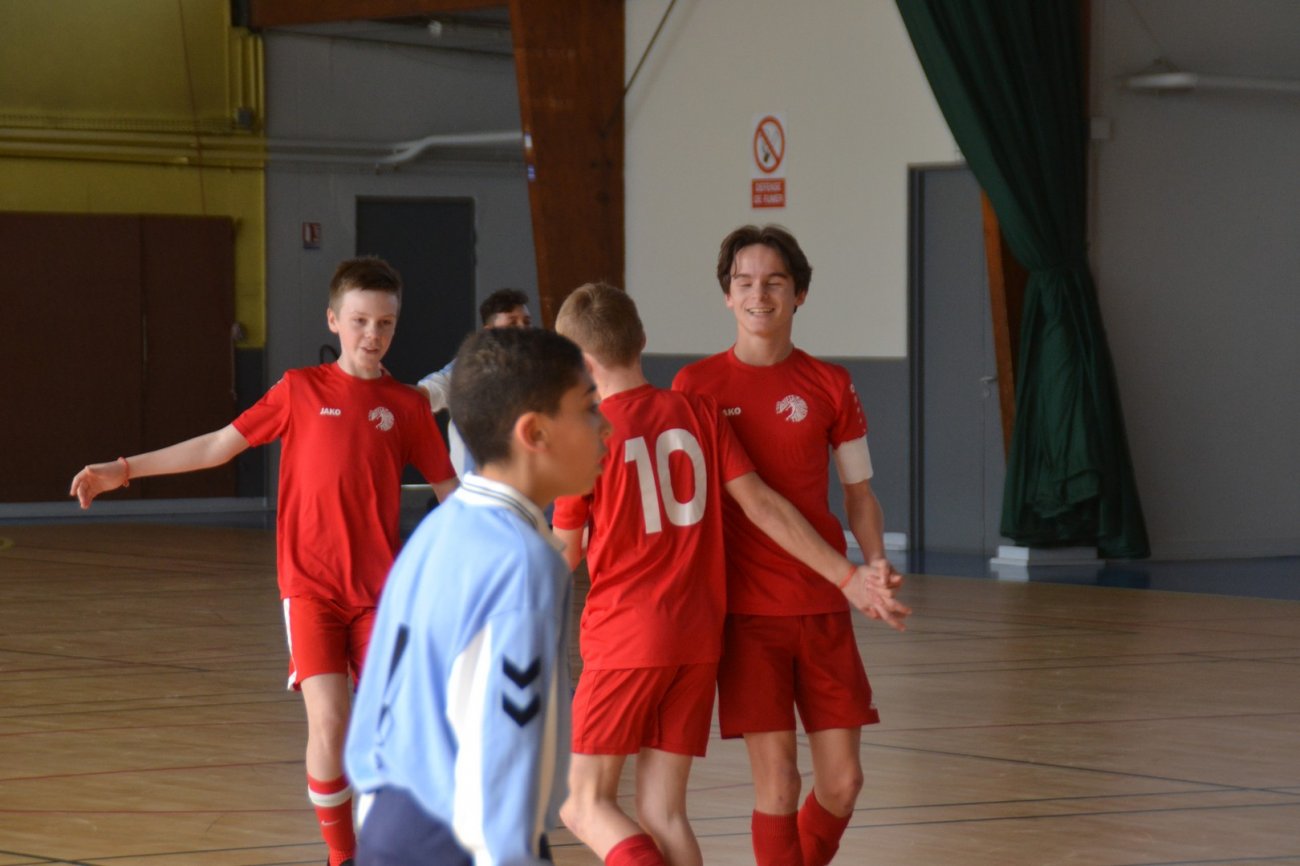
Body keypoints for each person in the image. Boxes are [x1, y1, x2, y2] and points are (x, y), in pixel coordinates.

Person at [69, 256, 458, 866]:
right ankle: (342, 856)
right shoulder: (301, 389)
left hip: (384, 594)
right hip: (310, 591)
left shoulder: (406, 407)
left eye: (385, 324)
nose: (372, 335)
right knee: (329, 724)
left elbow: (451, 495)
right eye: (359, 321)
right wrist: (122, 470)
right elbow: (217, 446)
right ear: (334, 320)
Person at [551, 283, 908, 866]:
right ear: (641, 339)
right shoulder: (697, 411)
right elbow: (763, 504)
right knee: (663, 813)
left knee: (582, 805)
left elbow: (562, 555)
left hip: (624, 637)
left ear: (577, 362)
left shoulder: (583, 434)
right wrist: (847, 575)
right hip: (697, 640)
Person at [672, 225, 904, 866]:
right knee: (778, 783)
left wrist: (877, 562)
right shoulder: (695, 388)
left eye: (774, 281)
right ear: (726, 296)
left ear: (799, 293)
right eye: (744, 282)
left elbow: (860, 492)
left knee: (843, 782)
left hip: (826, 605)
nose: (759, 294)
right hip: (747, 615)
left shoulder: (831, 384)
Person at [345, 327, 611, 865]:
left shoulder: (435, 533)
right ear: (534, 432)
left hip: (387, 831)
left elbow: (371, 722)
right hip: (460, 843)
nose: (606, 427)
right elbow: (505, 755)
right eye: (588, 409)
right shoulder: (524, 561)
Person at [417, 287, 534, 479]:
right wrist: (383, 389)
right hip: (474, 494)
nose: (523, 329)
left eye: (527, 323)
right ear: (489, 332)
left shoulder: (544, 372)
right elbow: (425, 394)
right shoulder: (466, 368)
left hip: (529, 496)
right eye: (512, 323)